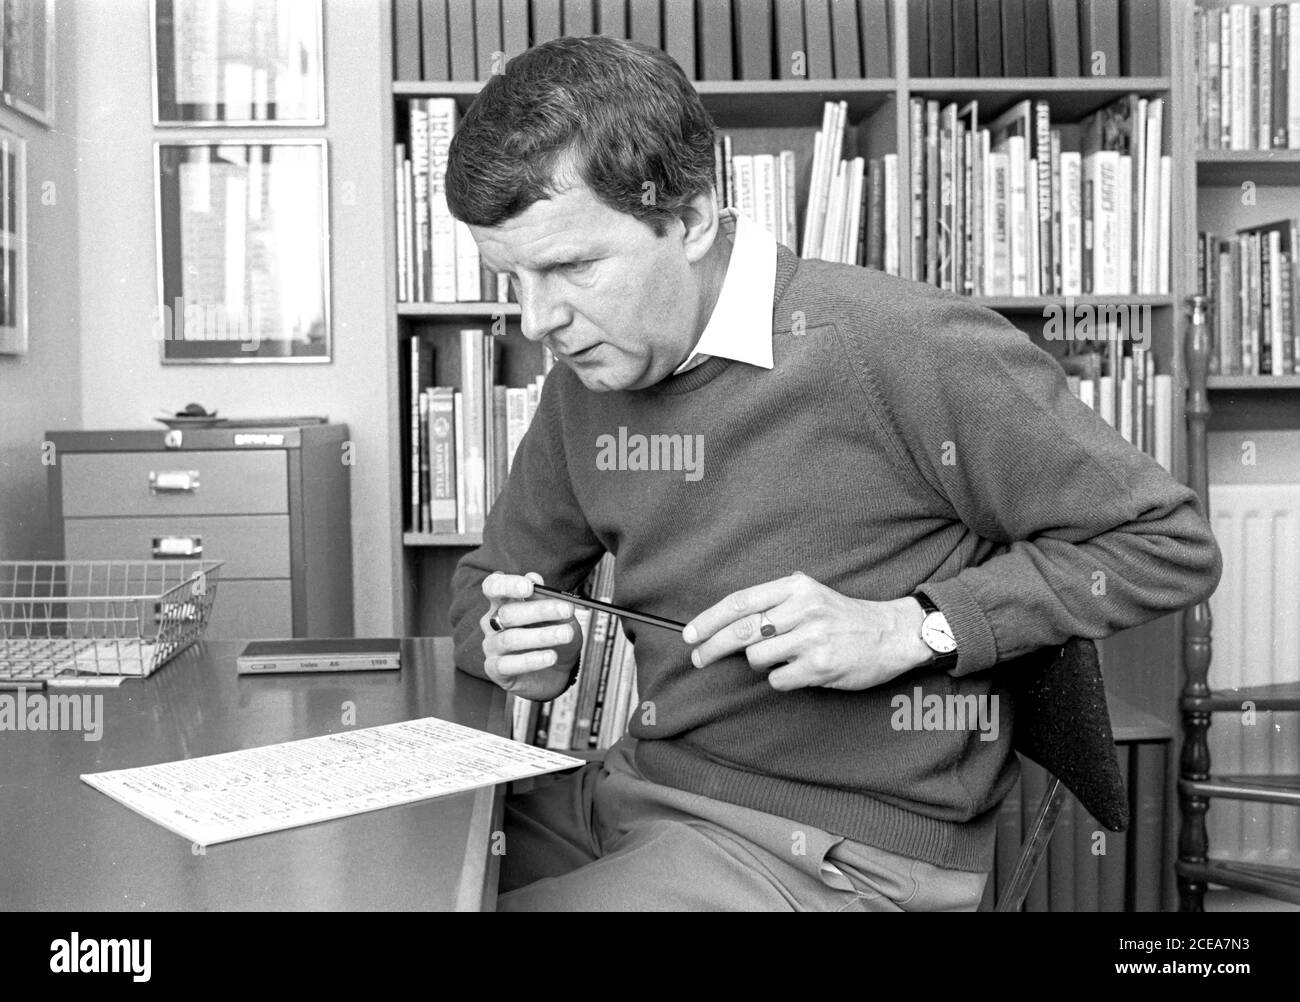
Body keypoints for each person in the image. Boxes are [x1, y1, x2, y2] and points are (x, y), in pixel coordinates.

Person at [443, 35, 1222, 911]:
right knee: (402, 875)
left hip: (831, 851)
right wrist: (522, 647)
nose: (539, 318)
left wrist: (909, 628)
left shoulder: (902, 346)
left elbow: (1169, 542)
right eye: (511, 277)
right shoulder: (582, 383)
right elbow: (484, 589)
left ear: (693, 217)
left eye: (573, 267)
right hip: (630, 791)